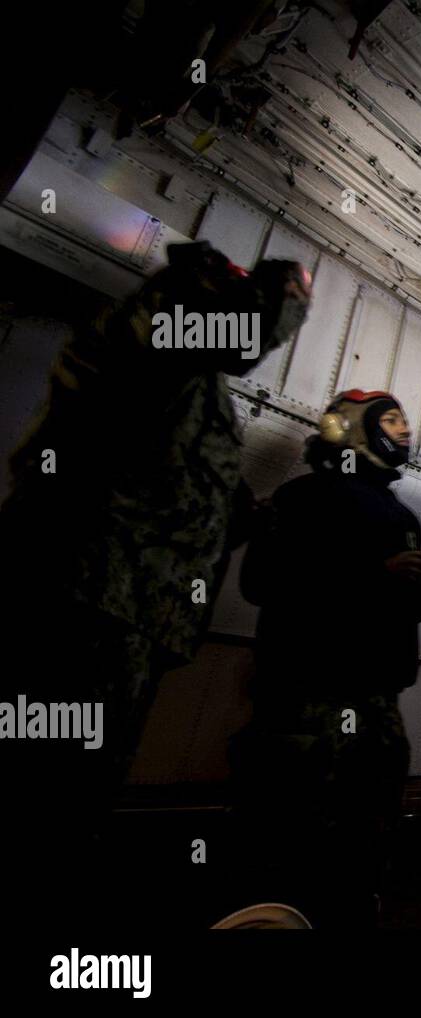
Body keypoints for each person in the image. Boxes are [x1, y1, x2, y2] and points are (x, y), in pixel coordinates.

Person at [0, 241, 311, 928]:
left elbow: (198, 501)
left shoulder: (192, 396)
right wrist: (285, 287)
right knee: (35, 808)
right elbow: (235, 332)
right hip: (74, 608)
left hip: (126, 624)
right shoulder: (156, 322)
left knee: (67, 814)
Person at [229, 389, 421, 928]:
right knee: (284, 851)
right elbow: (263, 583)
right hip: (304, 705)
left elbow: (397, 611)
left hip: (378, 708)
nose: (405, 429)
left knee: (363, 852)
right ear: (348, 428)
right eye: (392, 419)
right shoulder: (301, 499)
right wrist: (375, 575)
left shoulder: (401, 515)